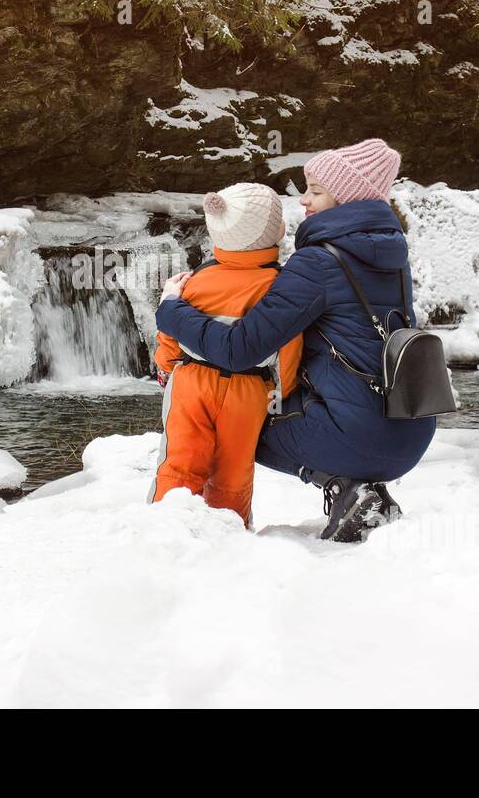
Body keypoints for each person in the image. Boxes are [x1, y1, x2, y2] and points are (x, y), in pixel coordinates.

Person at [156, 139, 436, 542]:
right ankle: (360, 489)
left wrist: (171, 311)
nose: (303, 201)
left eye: (316, 191)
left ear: (346, 198)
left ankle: (347, 488)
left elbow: (238, 351)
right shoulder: (390, 253)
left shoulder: (318, 261)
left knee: (235, 407)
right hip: (409, 429)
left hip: (357, 435)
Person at [149, 182, 303, 528]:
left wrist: (166, 368)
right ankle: (229, 535)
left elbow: (171, 330)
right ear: (274, 233)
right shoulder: (278, 287)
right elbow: (289, 348)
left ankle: (163, 529)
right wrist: (284, 391)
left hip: (190, 381)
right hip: (248, 389)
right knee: (234, 471)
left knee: (179, 460)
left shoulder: (195, 279)